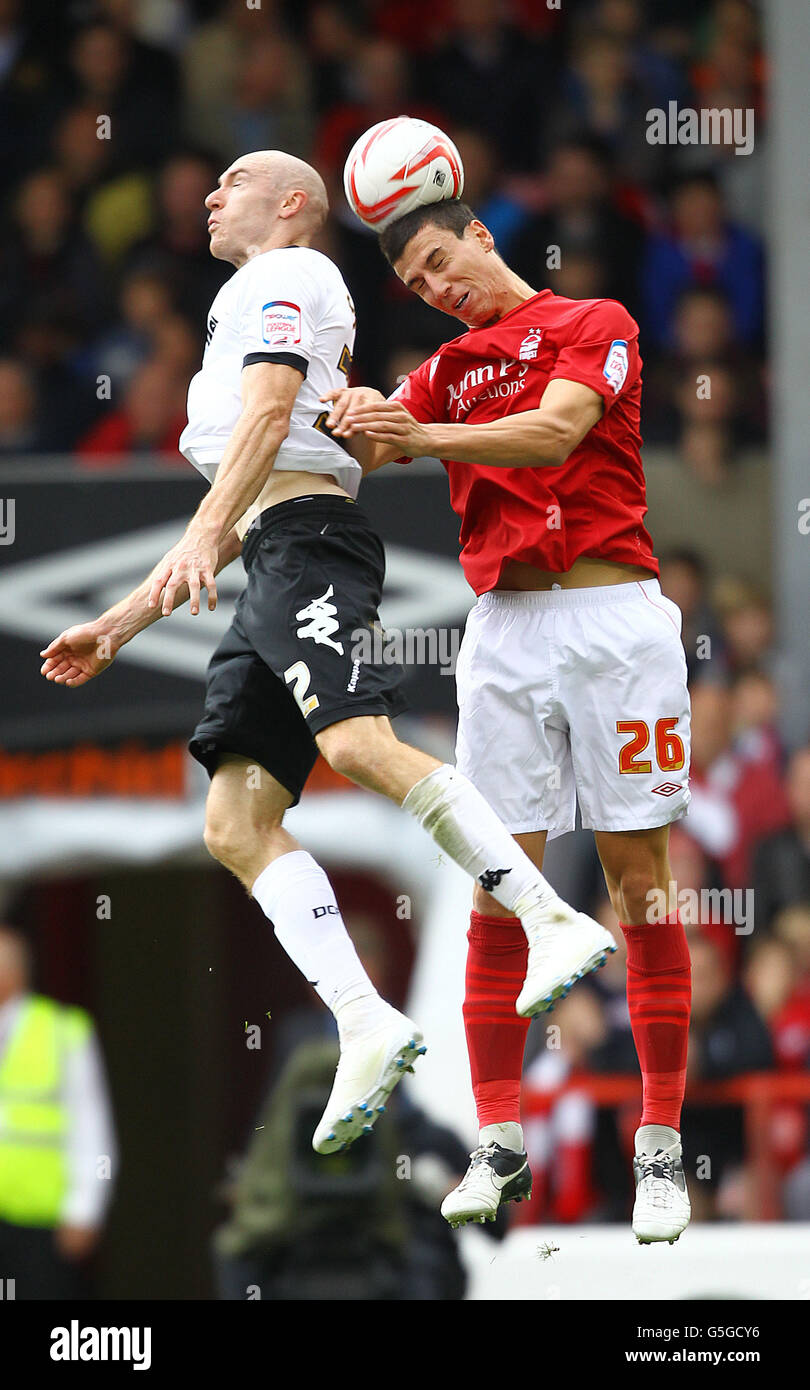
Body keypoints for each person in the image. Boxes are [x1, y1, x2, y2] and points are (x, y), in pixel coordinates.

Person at [40, 151, 614, 1166]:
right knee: (234, 818)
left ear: (293, 203)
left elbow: (270, 420)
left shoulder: (285, 276)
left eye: (235, 179)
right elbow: (231, 506)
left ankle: (546, 913)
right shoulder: (246, 294)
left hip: (307, 543)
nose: (212, 192)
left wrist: (197, 539)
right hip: (272, 548)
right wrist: (118, 625)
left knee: (354, 741)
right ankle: (365, 1018)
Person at [328, 195, 693, 1244]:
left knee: (640, 883)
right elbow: (360, 443)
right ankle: (499, 1138)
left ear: (483, 234)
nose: (441, 290)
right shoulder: (438, 370)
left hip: (616, 621)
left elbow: (556, 432)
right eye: (419, 286)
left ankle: (659, 1146)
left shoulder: (596, 323)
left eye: (444, 261)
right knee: (500, 883)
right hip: (505, 633)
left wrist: (421, 432)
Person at [0, 925, 117, 1299]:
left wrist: (84, 1210)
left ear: (13, 974)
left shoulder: (61, 1031)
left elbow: (91, 1126)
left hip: (41, 1219)